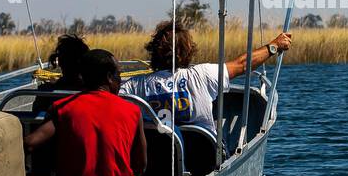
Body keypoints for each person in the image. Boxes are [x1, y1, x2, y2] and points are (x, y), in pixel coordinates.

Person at [24, 49, 150, 176]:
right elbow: (140, 166)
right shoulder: (132, 110)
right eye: (118, 74)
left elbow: (30, 143)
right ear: (108, 77)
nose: (120, 80)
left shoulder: (63, 108)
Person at [122, 20, 293, 133]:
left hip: (159, 162)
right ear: (188, 51)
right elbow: (242, 64)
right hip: (203, 159)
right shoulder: (202, 75)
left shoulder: (134, 86)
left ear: (153, 52)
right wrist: (274, 46)